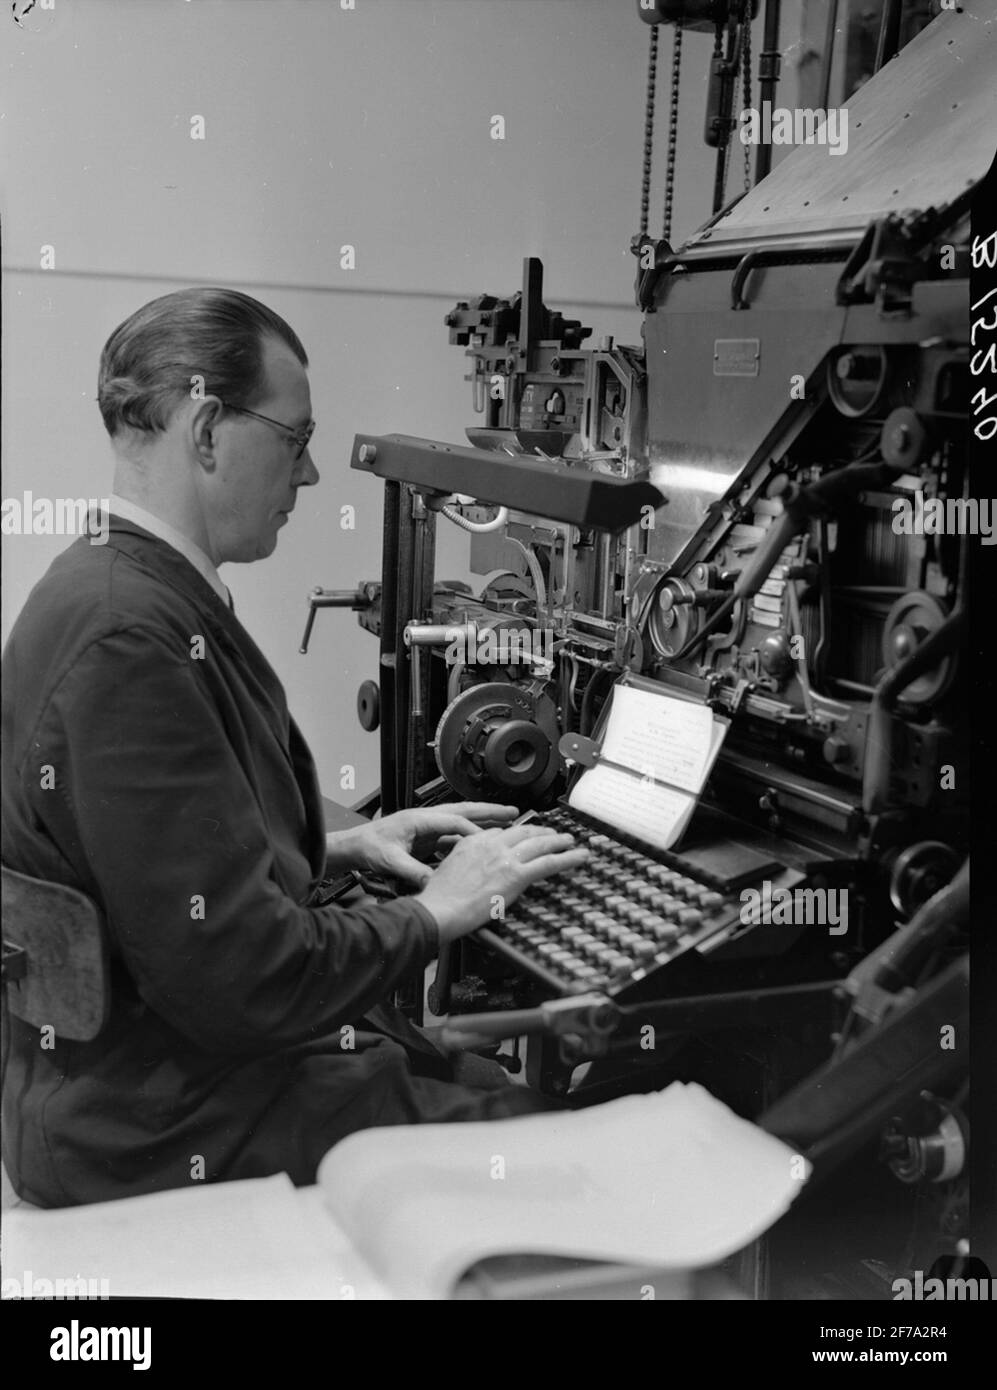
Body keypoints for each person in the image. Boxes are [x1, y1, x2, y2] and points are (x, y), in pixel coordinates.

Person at [0, 287, 587, 1208]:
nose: (309, 476)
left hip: (165, 1079)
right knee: (564, 1147)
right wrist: (437, 913)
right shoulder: (128, 639)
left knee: (471, 1082)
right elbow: (242, 979)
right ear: (205, 431)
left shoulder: (117, 592)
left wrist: (342, 845)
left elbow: (153, 874)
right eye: (295, 439)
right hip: (158, 1121)